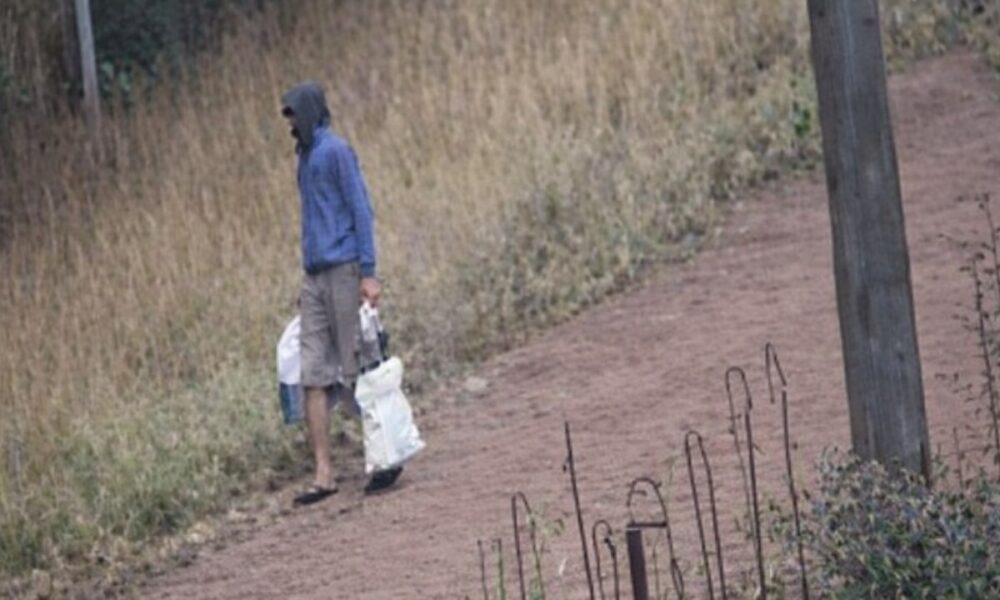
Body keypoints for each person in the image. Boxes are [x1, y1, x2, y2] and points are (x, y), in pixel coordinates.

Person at [281, 81, 401, 505]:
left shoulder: (335, 152)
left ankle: (385, 456)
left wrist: (368, 273)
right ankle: (323, 474)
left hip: (345, 270)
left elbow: (360, 210)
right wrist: (307, 280)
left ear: (309, 113)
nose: (290, 124)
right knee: (311, 374)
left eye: (293, 114)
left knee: (357, 366)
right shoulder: (304, 157)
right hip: (315, 276)